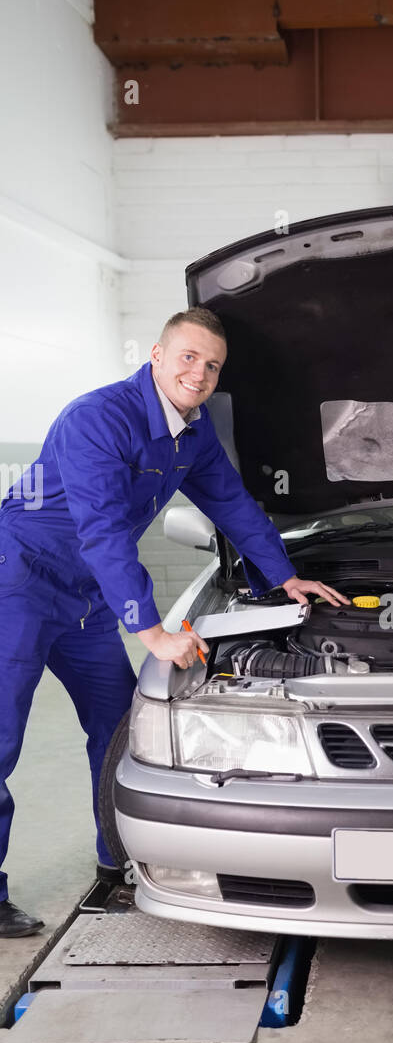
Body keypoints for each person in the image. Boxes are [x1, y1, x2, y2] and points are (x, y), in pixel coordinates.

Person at [0, 308, 349, 936]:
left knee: (118, 732)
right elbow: (103, 531)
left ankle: (118, 864)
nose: (200, 372)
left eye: (212, 365)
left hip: (87, 597)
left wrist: (282, 577)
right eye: (188, 356)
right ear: (156, 356)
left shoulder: (193, 431)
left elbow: (230, 502)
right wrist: (152, 630)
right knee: (0, 740)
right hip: (18, 585)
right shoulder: (96, 418)